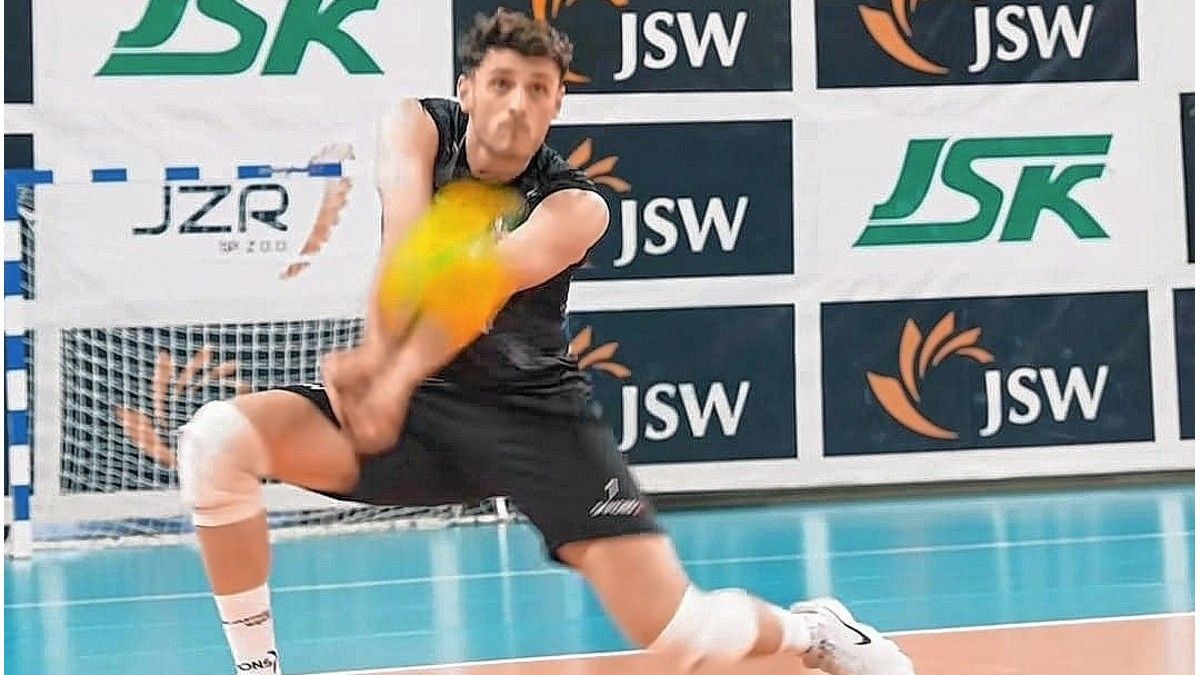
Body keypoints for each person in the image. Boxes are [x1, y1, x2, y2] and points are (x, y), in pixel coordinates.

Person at [175, 8, 916, 675]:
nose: (516, 103)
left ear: (558, 102)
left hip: (531, 417)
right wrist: (378, 358)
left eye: (537, 88)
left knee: (685, 634)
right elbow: (403, 240)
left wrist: (386, 377)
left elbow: (471, 295)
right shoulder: (415, 125)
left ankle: (814, 631)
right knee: (215, 440)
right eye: (501, 83)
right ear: (468, 89)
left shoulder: (574, 206)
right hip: (418, 419)